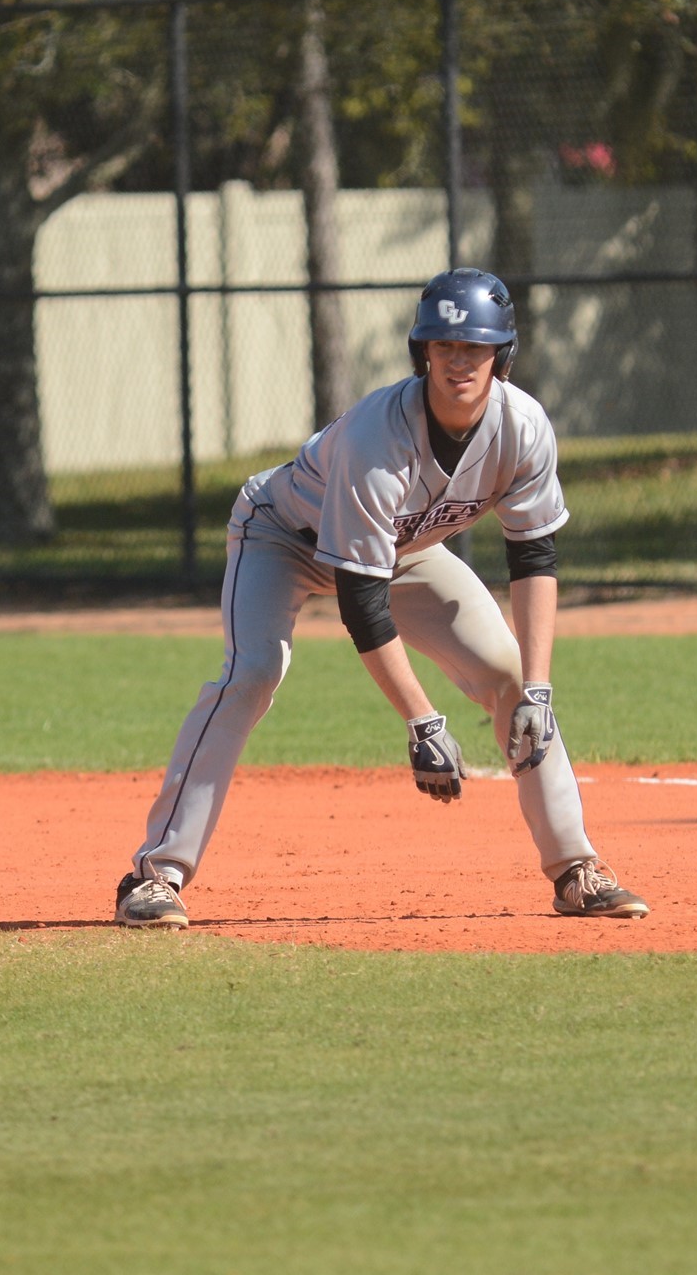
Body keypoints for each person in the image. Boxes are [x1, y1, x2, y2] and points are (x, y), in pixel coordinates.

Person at [116, 267, 648, 929]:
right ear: (423, 351)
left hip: (405, 550)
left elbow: (533, 557)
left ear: (501, 354)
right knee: (251, 673)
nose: (459, 361)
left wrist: (539, 688)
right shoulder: (380, 437)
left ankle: (576, 870)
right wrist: (422, 719)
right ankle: (155, 875)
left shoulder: (523, 427)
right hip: (282, 535)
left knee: (512, 678)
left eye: (475, 347)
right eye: (444, 345)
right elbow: (362, 604)